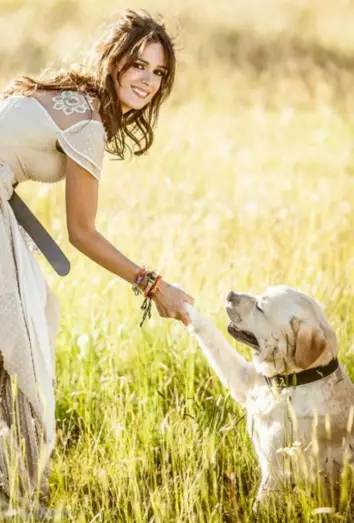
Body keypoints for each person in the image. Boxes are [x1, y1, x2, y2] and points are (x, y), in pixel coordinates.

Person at [0, 8, 193, 515]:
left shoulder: (72, 97)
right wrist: (155, 285)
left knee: (29, 321)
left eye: (159, 73)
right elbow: (82, 233)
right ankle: (24, 498)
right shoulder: (87, 122)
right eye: (138, 66)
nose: (148, 81)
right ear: (113, 63)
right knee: (28, 349)